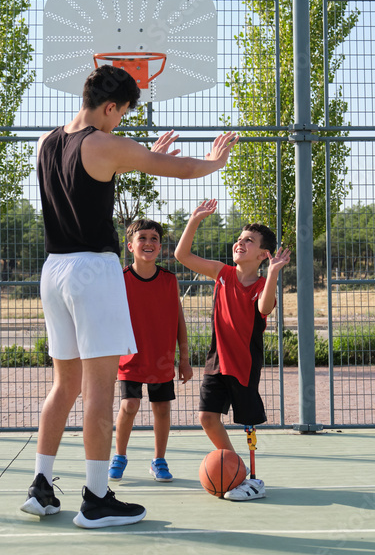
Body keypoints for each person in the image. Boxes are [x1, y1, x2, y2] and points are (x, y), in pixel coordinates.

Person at [20, 65, 237, 528]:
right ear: (111, 106)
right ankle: (96, 499)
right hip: (93, 271)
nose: (120, 124)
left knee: (64, 386)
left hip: (54, 270)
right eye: (121, 116)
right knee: (100, 390)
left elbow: (91, 182)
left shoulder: (46, 141)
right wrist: (215, 163)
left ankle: (41, 487)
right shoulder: (104, 142)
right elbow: (180, 169)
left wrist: (135, 154)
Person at [174, 199, 290, 501]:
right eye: (239, 239)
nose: (240, 242)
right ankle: (235, 470)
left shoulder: (262, 284)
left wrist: (274, 272)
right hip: (216, 362)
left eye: (248, 241)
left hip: (245, 365)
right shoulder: (221, 273)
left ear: (263, 254)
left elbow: (264, 308)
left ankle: (252, 480)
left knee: (248, 422)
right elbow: (181, 254)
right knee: (206, 417)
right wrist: (195, 219)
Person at [109, 218, 192, 483]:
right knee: (129, 405)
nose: (149, 242)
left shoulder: (169, 280)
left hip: (162, 358)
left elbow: (179, 319)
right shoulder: (119, 279)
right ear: (130, 245)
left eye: (154, 238)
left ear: (160, 246)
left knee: (162, 409)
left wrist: (185, 359)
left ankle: (159, 460)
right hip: (130, 356)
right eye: (142, 237)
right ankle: (119, 456)